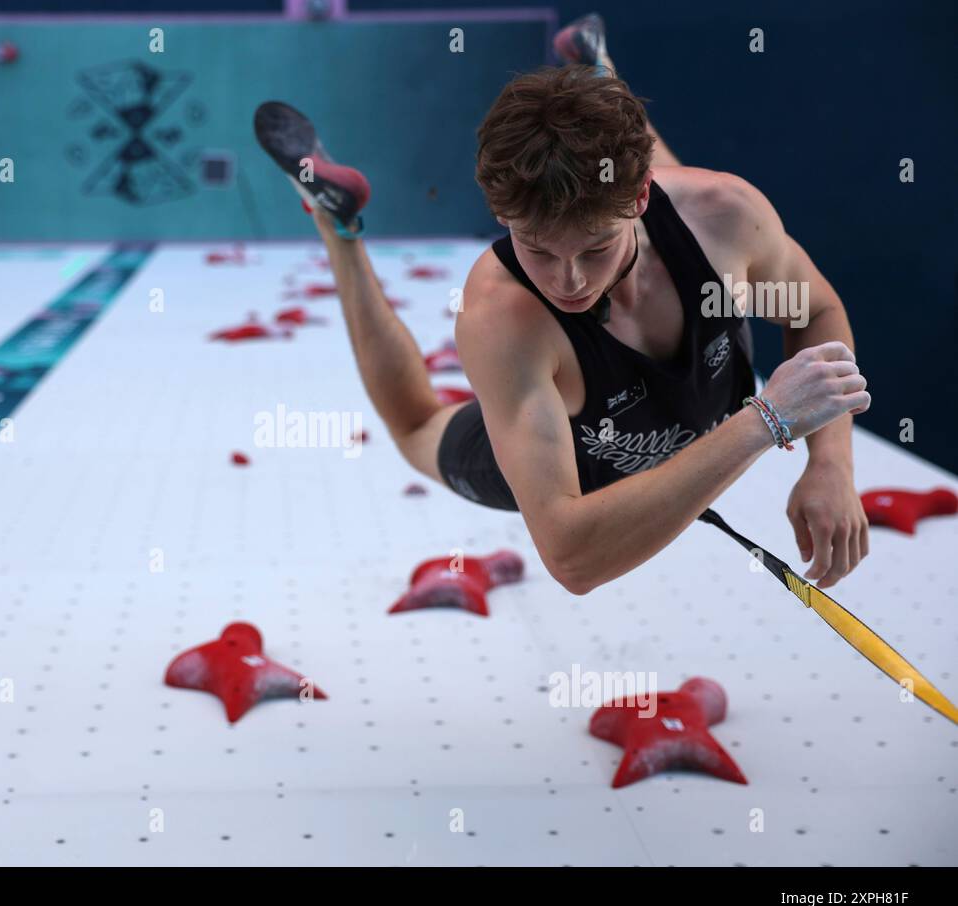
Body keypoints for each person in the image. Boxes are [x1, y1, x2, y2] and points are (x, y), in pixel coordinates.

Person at [253, 13, 869, 595]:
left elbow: (813, 312)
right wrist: (765, 422)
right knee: (415, 426)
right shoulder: (502, 316)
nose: (568, 282)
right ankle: (339, 230)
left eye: (593, 248)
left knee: (690, 230)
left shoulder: (726, 214)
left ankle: (601, 83)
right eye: (538, 250)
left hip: (671, 247)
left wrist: (832, 463)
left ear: (638, 196)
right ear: (501, 216)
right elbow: (573, 559)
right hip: (580, 448)